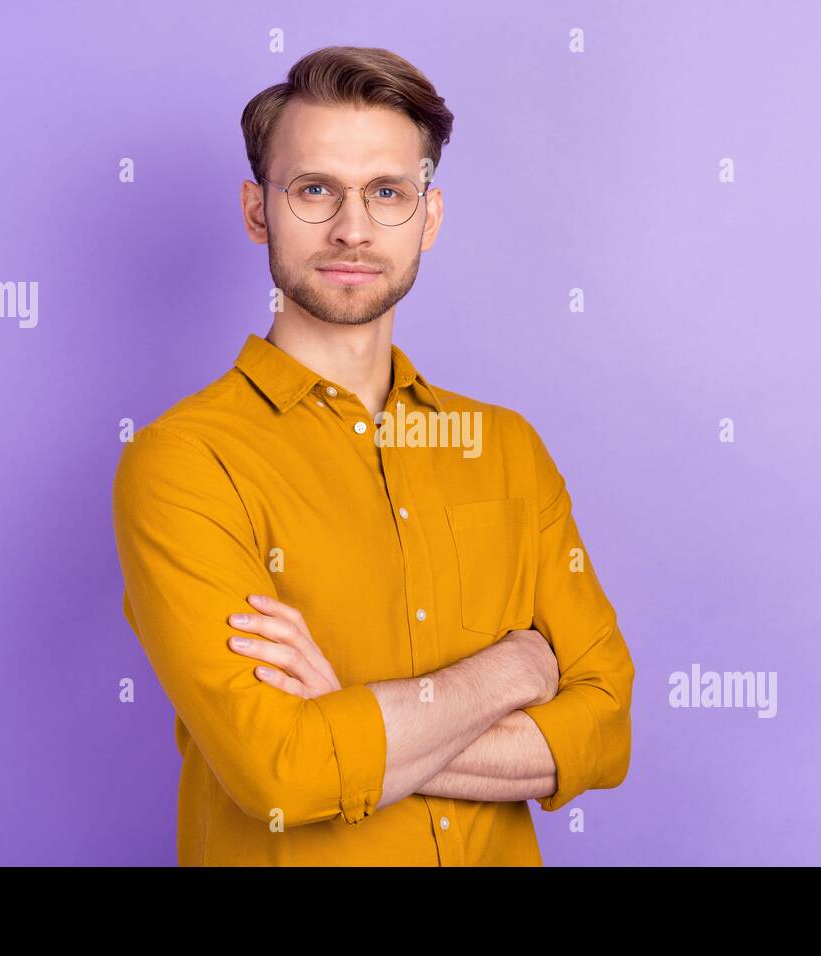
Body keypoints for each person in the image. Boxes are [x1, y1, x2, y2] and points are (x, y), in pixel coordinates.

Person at [111, 45, 634, 866]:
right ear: (258, 211)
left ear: (427, 217)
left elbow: (604, 733)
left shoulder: (507, 449)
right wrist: (515, 669)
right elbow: (280, 772)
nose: (353, 229)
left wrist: (351, 724)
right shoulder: (183, 463)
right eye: (315, 188)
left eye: (386, 192)